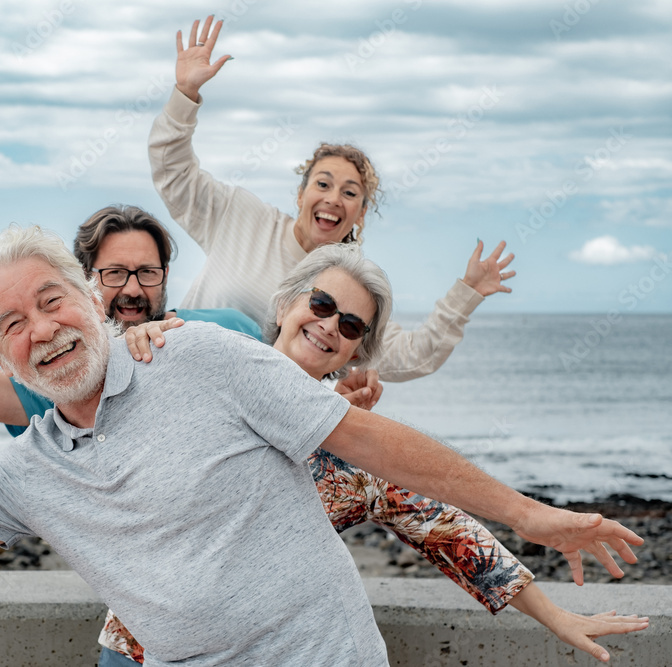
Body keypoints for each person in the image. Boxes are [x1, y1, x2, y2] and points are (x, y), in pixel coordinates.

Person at [0, 225, 644, 666]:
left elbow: (383, 452)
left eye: (52, 300)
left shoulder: (202, 354)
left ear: (89, 298)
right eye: (11, 322)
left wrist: (537, 516)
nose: (41, 329)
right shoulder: (31, 464)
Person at [102, 245, 648, 665]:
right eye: (320, 303)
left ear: (357, 349)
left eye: (350, 325)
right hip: (134, 643)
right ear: (288, 303)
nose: (327, 325)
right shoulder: (204, 363)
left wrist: (555, 616)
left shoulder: (354, 456)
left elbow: (451, 534)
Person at [149, 16, 516, 380]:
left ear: (361, 213)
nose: (334, 199)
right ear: (301, 193)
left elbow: (411, 357)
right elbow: (172, 172)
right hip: (178, 376)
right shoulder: (240, 215)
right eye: (323, 184)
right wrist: (185, 94)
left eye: (350, 192)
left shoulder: (351, 288)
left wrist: (466, 293)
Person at [0, 188, 260, 433]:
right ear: (86, 283)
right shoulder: (63, 378)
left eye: (146, 272)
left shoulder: (225, 328)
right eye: (114, 274)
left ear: (165, 274)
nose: (132, 289)